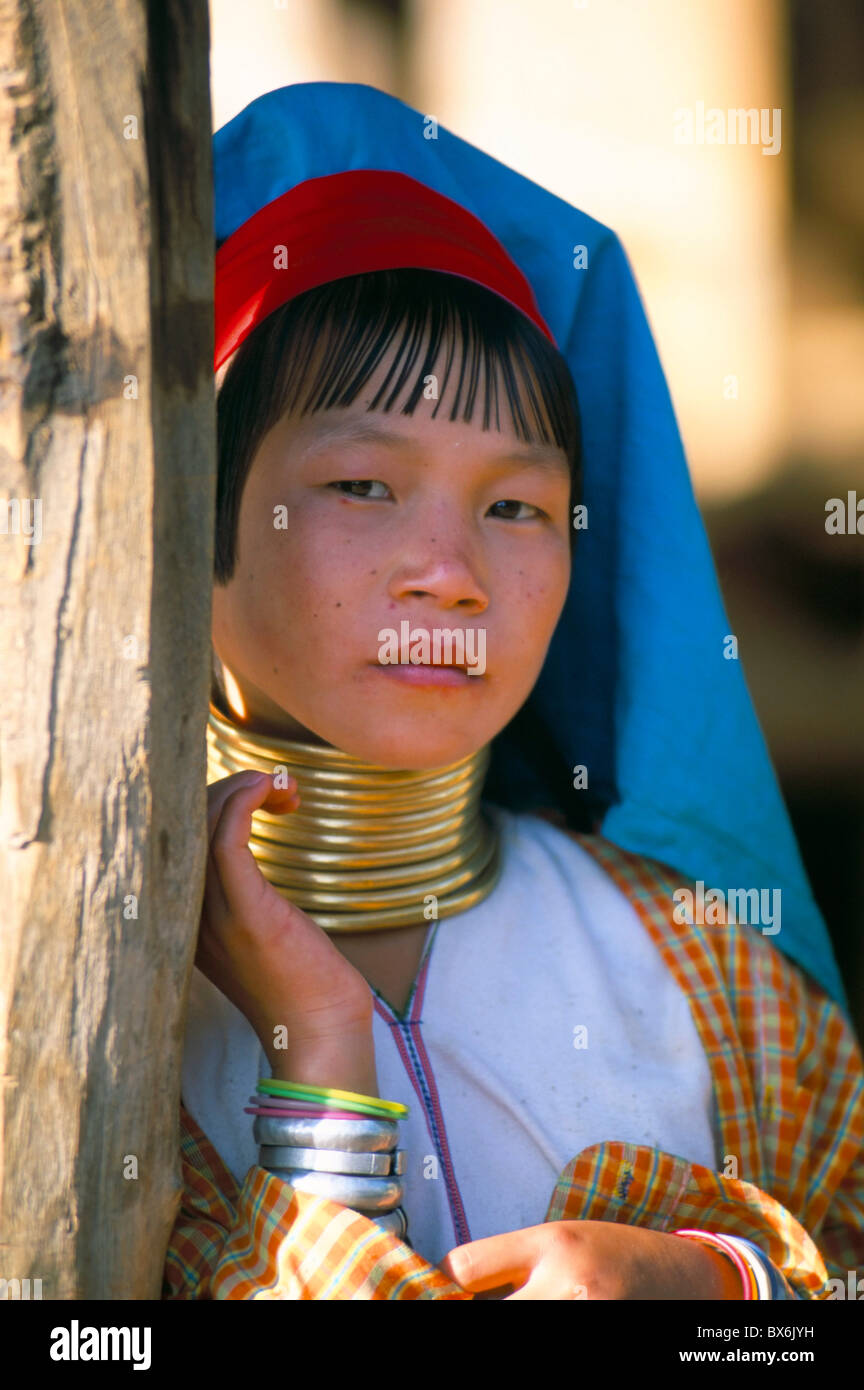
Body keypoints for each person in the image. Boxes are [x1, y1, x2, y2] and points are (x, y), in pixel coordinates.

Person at [162, 83, 864, 1300]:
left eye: (515, 506)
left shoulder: (706, 971)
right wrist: (316, 1063)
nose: (452, 574)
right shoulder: (69, 1003)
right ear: (189, 521)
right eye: (365, 487)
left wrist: (721, 1289)